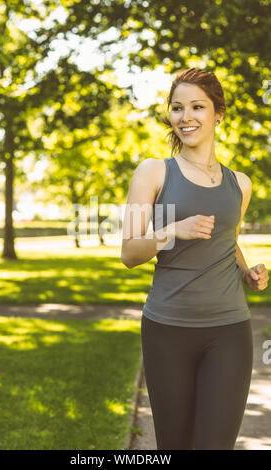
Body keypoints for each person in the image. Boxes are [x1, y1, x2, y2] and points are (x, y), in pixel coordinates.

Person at [121, 67, 269, 450]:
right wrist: (173, 230)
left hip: (229, 332)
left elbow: (227, 242)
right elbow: (129, 252)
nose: (186, 117)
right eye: (177, 108)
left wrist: (247, 272)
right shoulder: (154, 172)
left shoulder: (240, 183)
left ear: (218, 113)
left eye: (197, 107)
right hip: (167, 331)